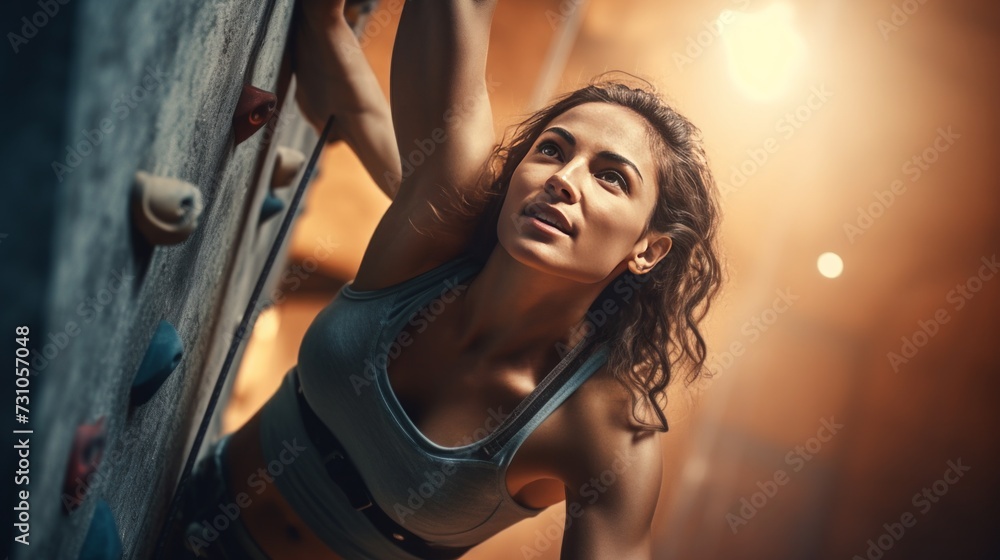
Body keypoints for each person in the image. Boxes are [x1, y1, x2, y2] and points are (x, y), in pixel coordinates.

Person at [174, 0, 723, 558]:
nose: (563, 178)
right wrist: (325, 32)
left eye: (611, 177)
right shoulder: (436, 233)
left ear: (648, 250)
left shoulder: (605, 430)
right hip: (174, 515)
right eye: (552, 150)